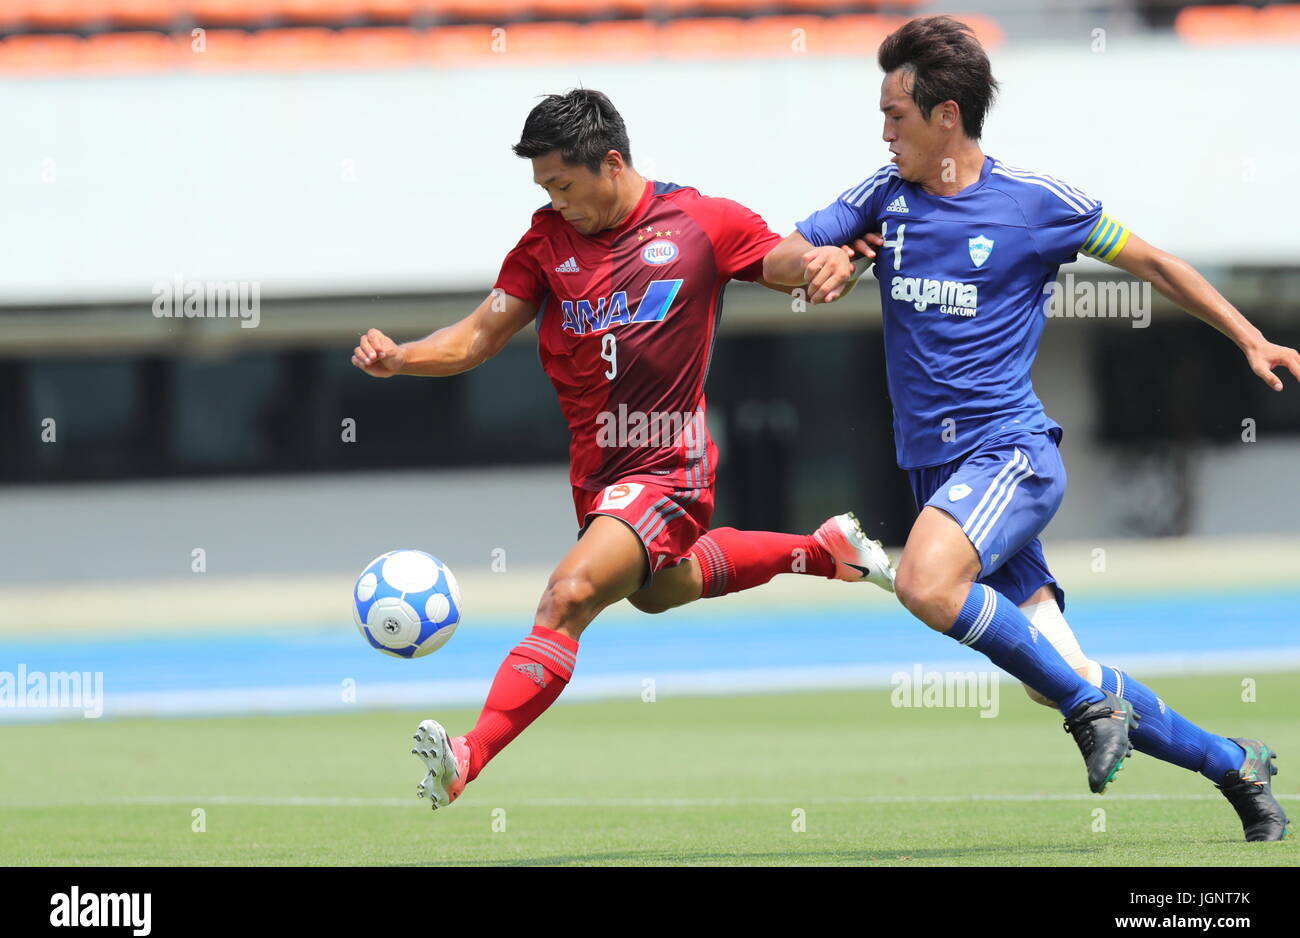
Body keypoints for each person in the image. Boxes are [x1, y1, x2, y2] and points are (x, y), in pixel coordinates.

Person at [763, 15, 1295, 839]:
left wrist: (1249, 336)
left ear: (947, 116)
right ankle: (1234, 763)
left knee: (923, 585)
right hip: (938, 478)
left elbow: (1155, 264)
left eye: (895, 115)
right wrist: (823, 260)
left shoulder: (1035, 205)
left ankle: (1091, 711)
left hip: (1009, 454)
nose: (883, 131)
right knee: (1057, 671)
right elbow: (779, 258)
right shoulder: (883, 199)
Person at [353, 89, 895, 811]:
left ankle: (468, 754)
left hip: (669, 464)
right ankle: (823, 551)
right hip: (599, 474)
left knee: (568, 595)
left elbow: (782, 258)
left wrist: (823, 263)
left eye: (564, 185)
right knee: (657, 592)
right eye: (544, 187)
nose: (555, 201)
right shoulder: (545, 243)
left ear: (610, 163)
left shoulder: (701, 222)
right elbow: (479, 336)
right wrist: (403, 358)